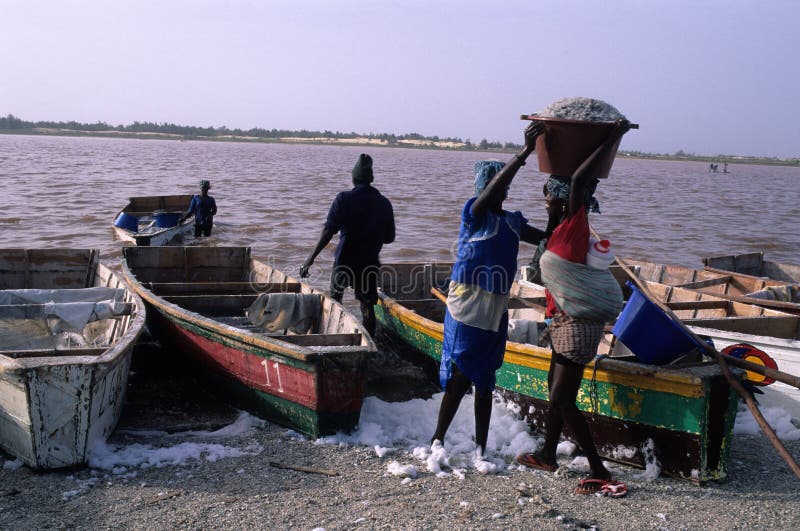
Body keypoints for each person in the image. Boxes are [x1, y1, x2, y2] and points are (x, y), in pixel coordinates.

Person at [516, 120, 630, 492]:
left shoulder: (576, 225)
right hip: (561, 322)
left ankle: (600, 469)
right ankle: (548, 454)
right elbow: (542, 253)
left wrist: (613, 137)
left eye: (550, 194)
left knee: (563, 399)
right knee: (555, 390)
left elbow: (581, 181)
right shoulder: (558, 228)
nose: (545, 196)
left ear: (567, 199)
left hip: (577, 326)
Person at [430, 122, 547, 461]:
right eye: (497, 185)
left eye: (504, 187)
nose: (502, 190)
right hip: (466, 305)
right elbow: (490, 193)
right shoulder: (474, 214)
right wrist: (524, 152)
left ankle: (481, 448)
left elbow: (546, 237)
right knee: (459, 375)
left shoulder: (512, 222)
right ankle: (438, 438)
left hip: (495, 307)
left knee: (485, 378)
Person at [300, 154, 395, 336]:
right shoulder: (384, 203)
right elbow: (389, 238)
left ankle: (334, 337)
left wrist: (309, 260)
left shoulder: (343, 199)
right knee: (367, 306)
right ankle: (369, 347)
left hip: (345, 261)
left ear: (353, 179)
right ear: (371, 179)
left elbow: (328, 232)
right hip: (369, 263)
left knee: (335, 302)